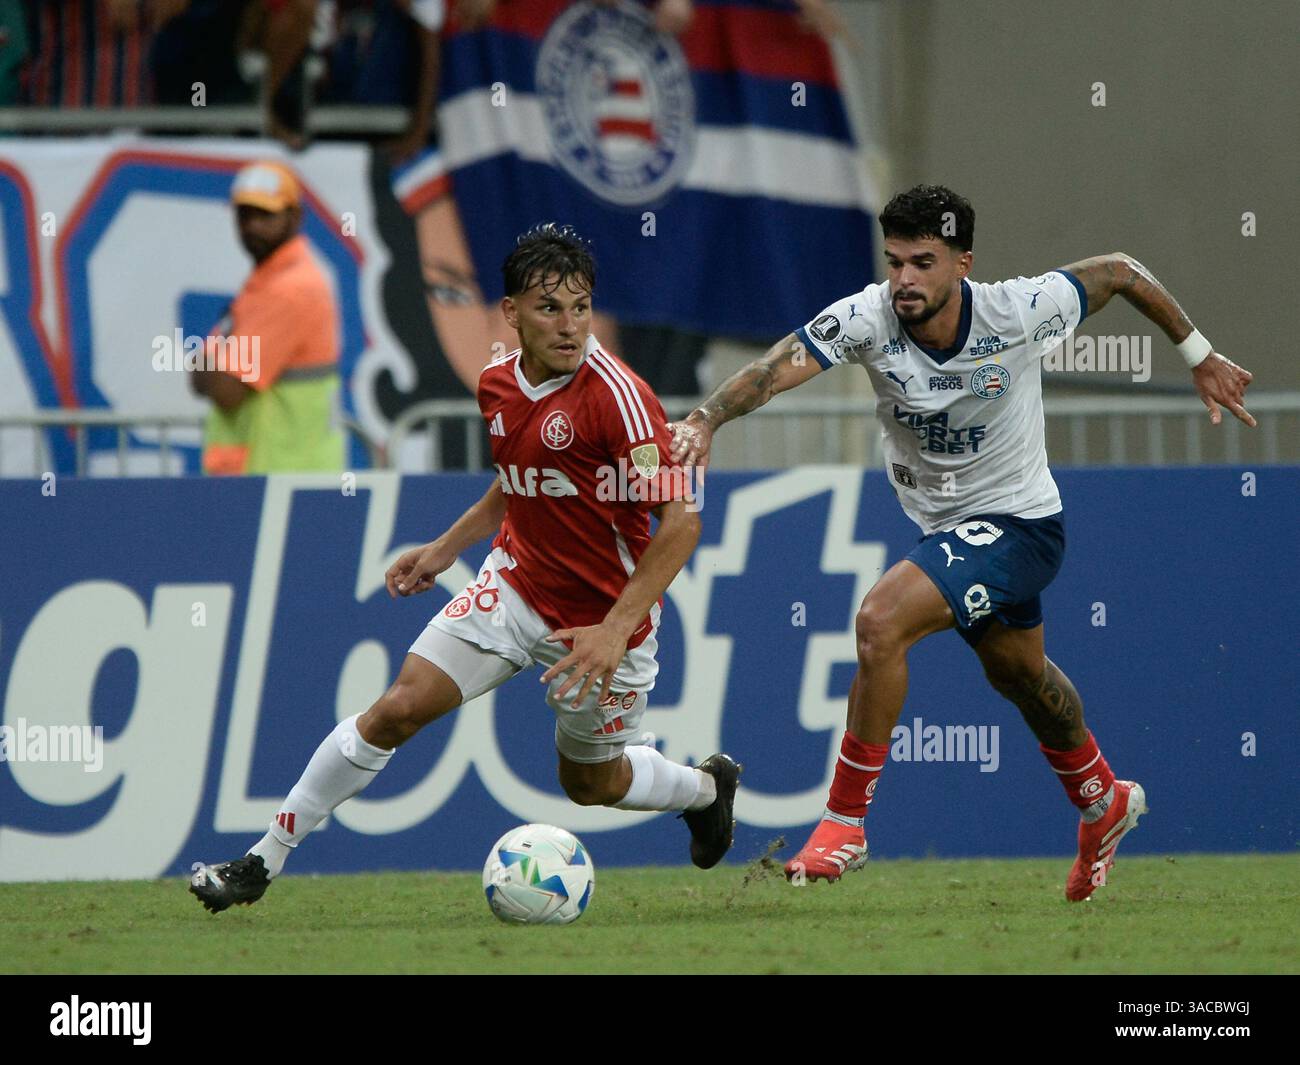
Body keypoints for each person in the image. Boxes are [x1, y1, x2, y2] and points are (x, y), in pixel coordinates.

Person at [669, 184, 1254, 901]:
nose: (905, 280)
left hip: (1023, 526)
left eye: (923, 261)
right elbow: (771, 370)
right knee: (1019, 675)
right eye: (895, 262)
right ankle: (1102, 798)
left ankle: (845, 821)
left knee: (880, 620)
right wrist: (705, 419)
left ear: (963, 263)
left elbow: (1121, 271)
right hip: (947, 528)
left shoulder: (1019, 309)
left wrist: (1199, 353)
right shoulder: (868, 318)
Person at [190, 223, 739, 912]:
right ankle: (260, 861)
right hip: (514, 585)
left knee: (589, 783)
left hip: (602, 622)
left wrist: (614, 629)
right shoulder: (496, 383)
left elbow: (682, 523)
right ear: (509, 313)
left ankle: (706, 789)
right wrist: (448, 545)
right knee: (395, 709)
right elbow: (522, 478)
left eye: (580, 307)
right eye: (548, 308)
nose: (569, 326)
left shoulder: (621, 400)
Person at [190, 160, 345, 475]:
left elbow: (225, 391)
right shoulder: (270, 282)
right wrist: (210, 365)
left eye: (265, 214)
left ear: (295, 216)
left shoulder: (289, 289)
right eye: (244, 215)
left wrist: (208, 358)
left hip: (282, 480)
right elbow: (202, 378)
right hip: (277, 476)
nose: (252, 226)